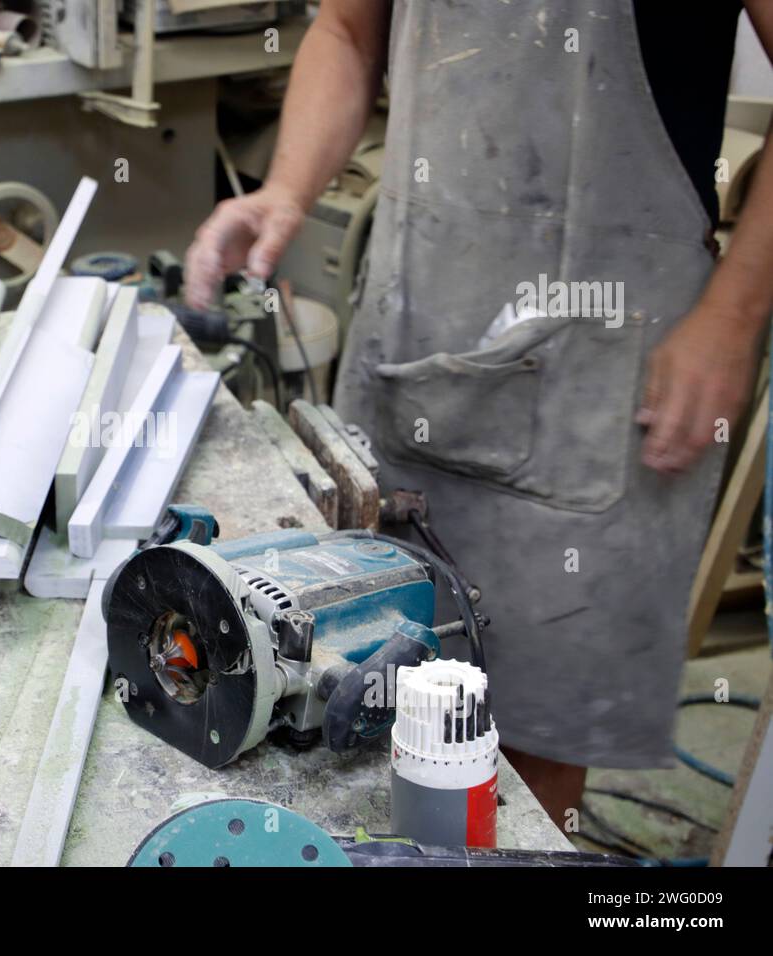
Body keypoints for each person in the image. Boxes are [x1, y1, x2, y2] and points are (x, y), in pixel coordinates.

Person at [184, 0, 773, 825]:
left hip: (594, 379)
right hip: (421, 329)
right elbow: (348, 31)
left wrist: (734, 319)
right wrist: (285, 190)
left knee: (524, 751)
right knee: (353, 686)